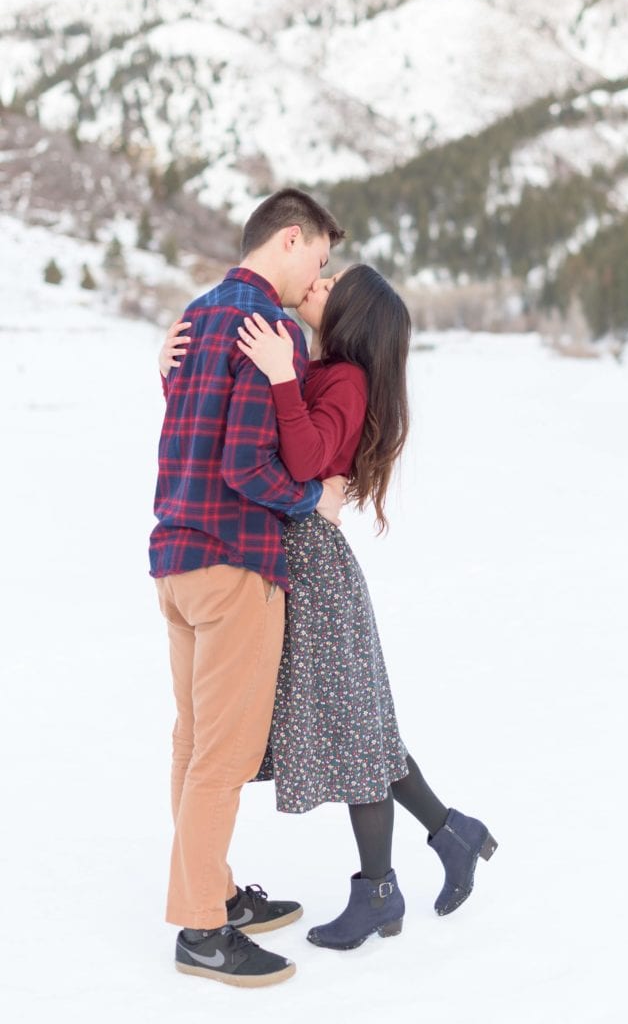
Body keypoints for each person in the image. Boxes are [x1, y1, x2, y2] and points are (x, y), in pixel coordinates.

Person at [161, 262, 497, 953]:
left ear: (350, 313)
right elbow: (239, 420)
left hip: (313, 566)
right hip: (293, 559)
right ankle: (448, 834)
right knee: (358, 722)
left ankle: (383, 888)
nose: (316, 284)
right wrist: (170, 368)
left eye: (330, 282)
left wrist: (284, 376)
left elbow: (308, 453)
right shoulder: (318, 365)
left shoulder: (341, 377)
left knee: (355, 726)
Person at [149, 188, 348, 987]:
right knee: (221, 759)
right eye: (321, 262)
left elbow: (187, 424)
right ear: (291, 239)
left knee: (194, 747)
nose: (318, 280)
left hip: (176, 562)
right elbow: (245, 464)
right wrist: (315, 502)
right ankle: (202, 931)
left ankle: (217, 893)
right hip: (234, 565)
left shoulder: (197, 316)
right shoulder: (276, 335)